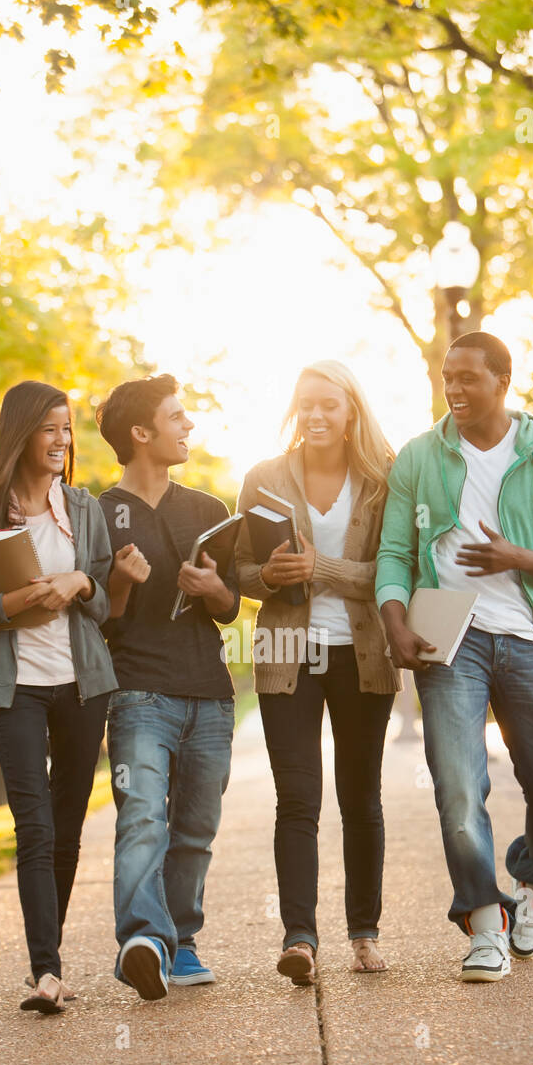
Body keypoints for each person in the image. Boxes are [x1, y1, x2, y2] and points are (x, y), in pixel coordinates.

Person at [376, 332, 533, 982]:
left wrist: (517, 558)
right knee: (460, 787)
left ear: (502, 380)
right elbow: (393, 552)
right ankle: (483, 923)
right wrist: (394, 621)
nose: (455, 389)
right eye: (448, 378)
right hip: (450, 640)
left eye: (468, 378)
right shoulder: (418, 457)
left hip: (526, 637)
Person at [0, 380, 119, 1013]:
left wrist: (77, 583)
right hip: (11, 688)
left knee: (67, 828)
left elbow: (105, 603)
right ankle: (45, 971)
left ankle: (52, 956)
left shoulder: (84, 509)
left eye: (67, 429)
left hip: (81, 686)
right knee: (35, 826)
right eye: (49, 429)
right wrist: (18, 601)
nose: (61, 441)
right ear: (20, 435)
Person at [235, 361, 400, 985]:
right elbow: (240, 571)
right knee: (297, 799)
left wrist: (321, 569)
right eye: (306, 403)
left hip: (363, 655)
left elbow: (393, 571)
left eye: (329, 404)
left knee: (360, 798)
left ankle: (364, 933)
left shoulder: (382, 479)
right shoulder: (263, 478)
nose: (316, 414)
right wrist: (269, 577)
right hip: (287, 655)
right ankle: (299, 938)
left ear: (351, 409)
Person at [97, 374, 240, 1002]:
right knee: (143, 820)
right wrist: (121, 582)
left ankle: (182, 945)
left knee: (194, 831)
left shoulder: (207, 511)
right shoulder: (97, 515)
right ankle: (142, 941)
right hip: (137, 693)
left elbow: (231, 606)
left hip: (209, 693)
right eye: (177, 417)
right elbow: (99, 617)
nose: (188, 427)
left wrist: (216, 593)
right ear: (140, 433)